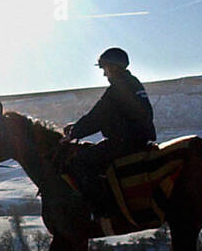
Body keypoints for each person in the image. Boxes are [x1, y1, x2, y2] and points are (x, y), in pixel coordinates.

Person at [61, 48, 156, 208]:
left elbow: (98, 116)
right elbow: (102, 114)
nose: (104, 74)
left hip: (125, 142)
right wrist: (77, 127)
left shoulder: (118, 89)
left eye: (104, 68)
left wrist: (74, 134)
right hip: (139, 139)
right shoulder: (133, 83)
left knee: (80, 162)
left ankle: (102, 207)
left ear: (112, 67)